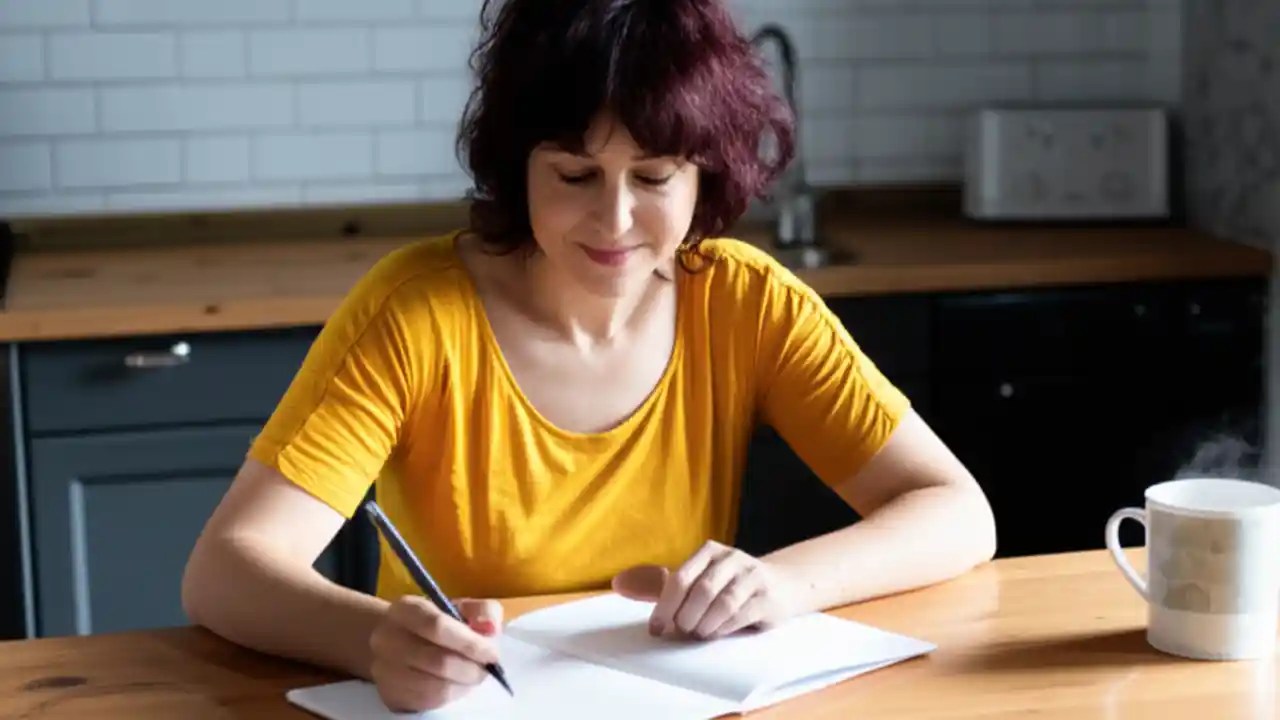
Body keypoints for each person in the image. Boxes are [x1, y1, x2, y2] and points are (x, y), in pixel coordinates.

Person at [182, 0, 996, 712]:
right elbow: (225, 572)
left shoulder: (744, 300)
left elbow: (956, 511)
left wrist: (782, 584)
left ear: (701, 178)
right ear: (518, 168)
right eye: (576, 174)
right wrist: (370, 640)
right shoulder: (415, 313)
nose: (615, 221)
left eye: (653, 177)